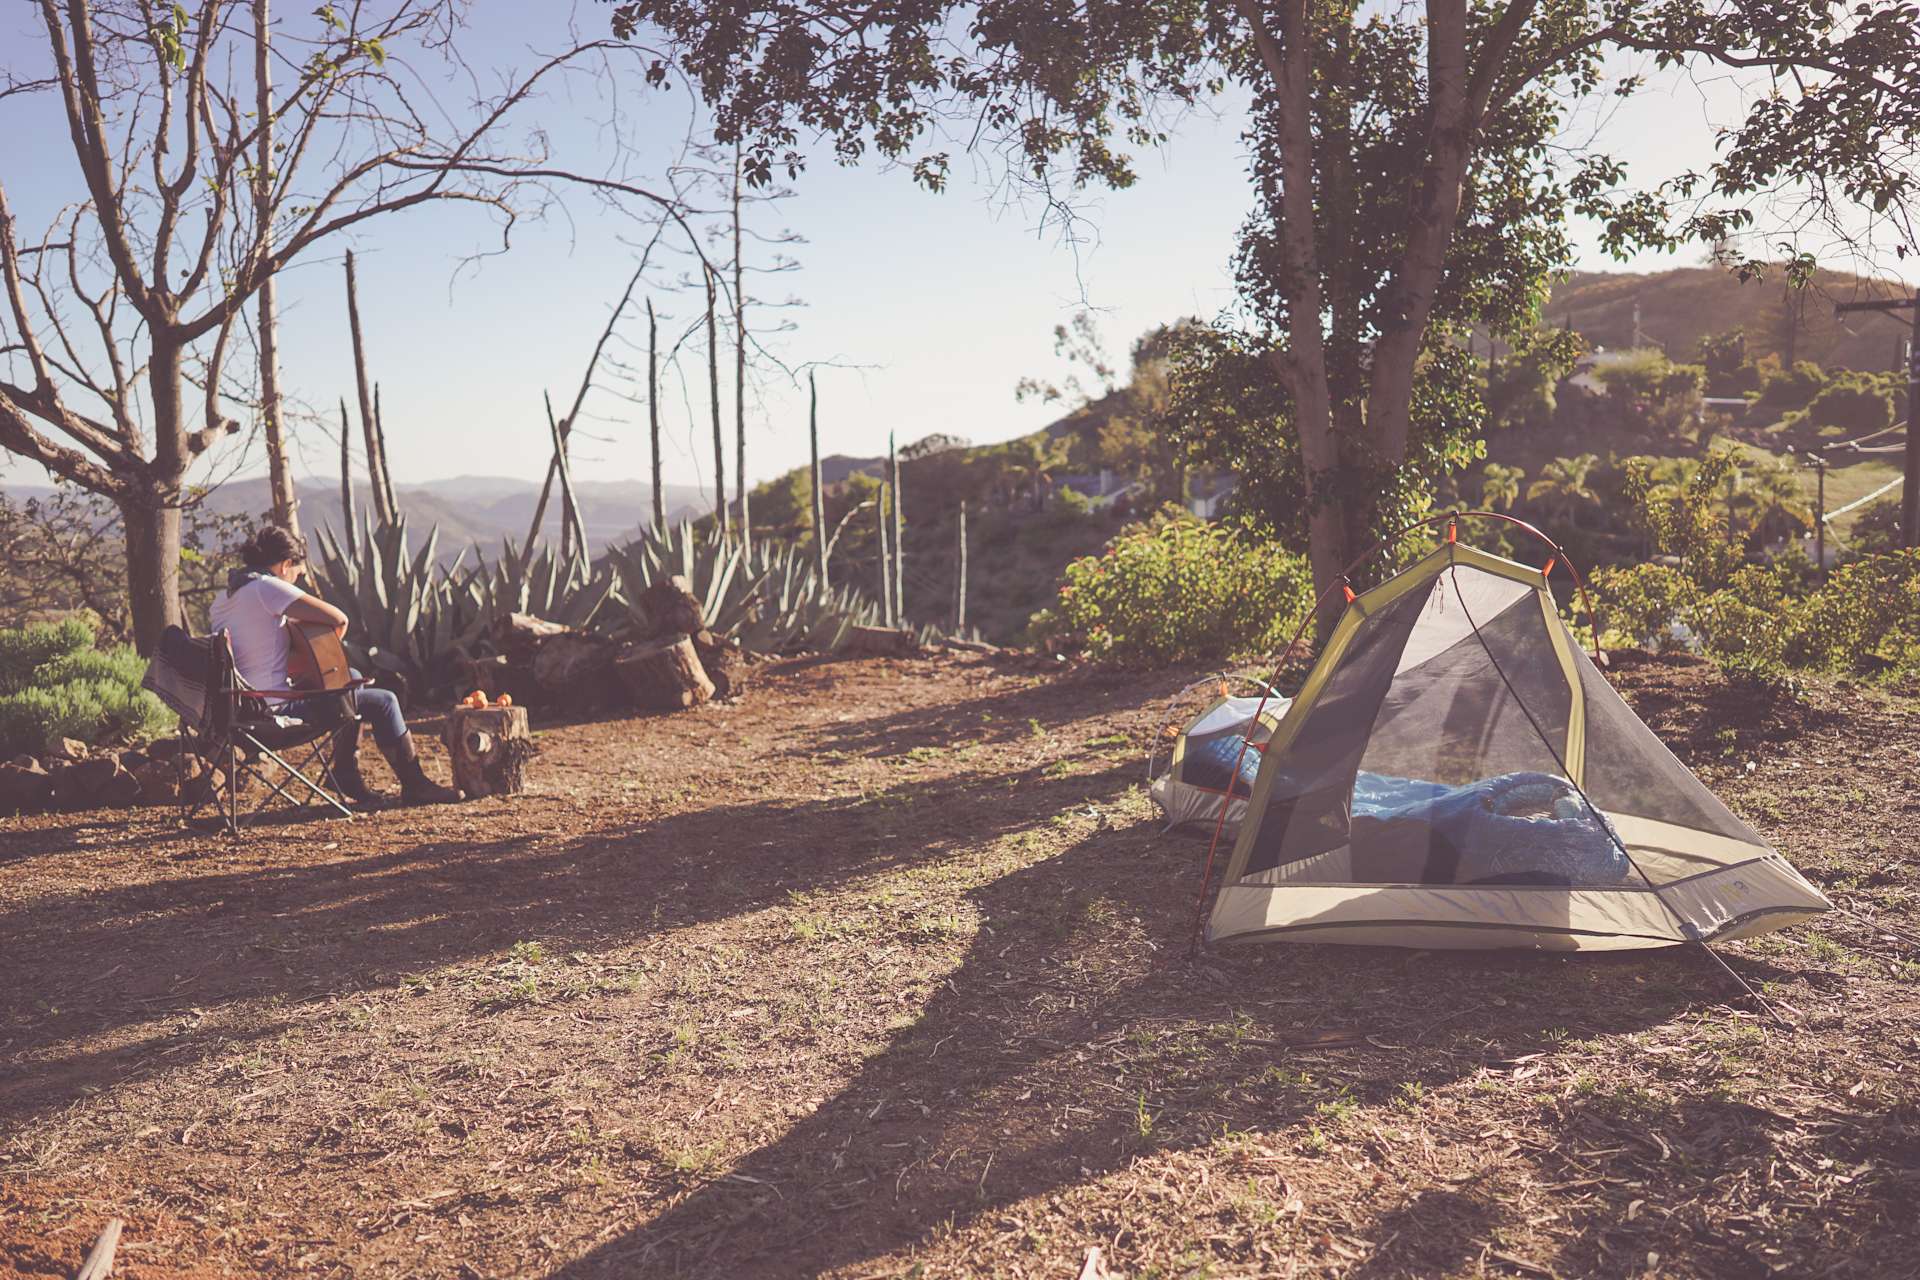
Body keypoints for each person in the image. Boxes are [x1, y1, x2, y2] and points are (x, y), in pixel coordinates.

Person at [210, 525, 459, 806]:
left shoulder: (225, 598)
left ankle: (345, 772)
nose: (296, 580)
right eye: (297, 574)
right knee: (385, 701)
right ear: (286, 564)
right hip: (273, 713)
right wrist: (318, 657)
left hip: (240, 711)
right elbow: (339, 620)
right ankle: (415, 786)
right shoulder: (267, 587)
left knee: (349, 676)